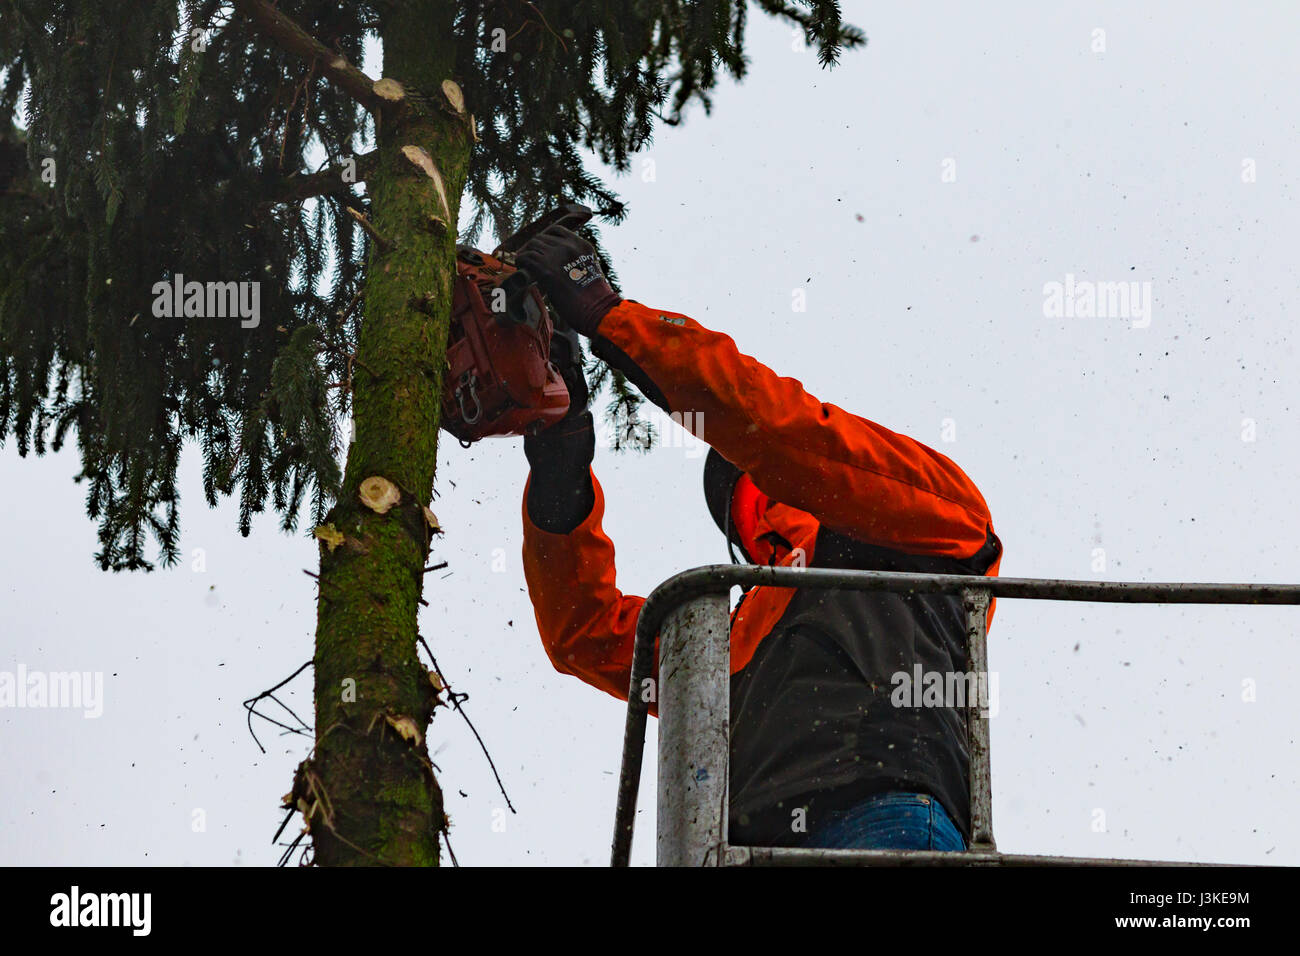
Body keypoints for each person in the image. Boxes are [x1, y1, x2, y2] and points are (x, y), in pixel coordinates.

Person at [515, 226, 1003, 851]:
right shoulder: (733, 630)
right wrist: (560, 470)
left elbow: (780, 429)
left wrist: (610, 318)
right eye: (738, 500)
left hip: (884, 812)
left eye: (748, 478)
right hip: (743, 847)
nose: (754, 502)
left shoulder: (923, 509)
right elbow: (585, 631)